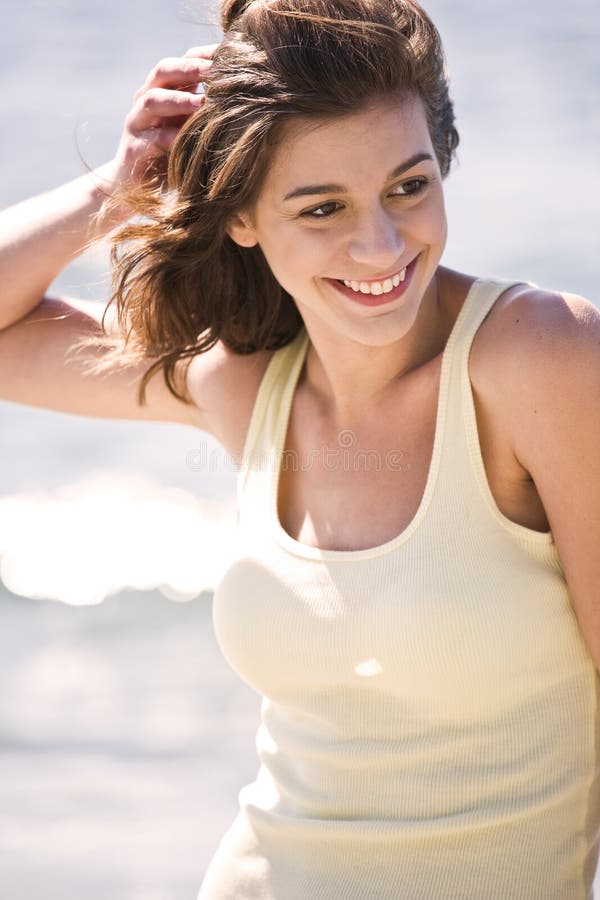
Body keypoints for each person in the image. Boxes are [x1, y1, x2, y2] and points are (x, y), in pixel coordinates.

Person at [1, 0, 599, 896]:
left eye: (410, 185)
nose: (382, 244)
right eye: (322, 206)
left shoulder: (540, 358)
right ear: (241, 218)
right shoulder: (245, 384)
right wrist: (110, 193)